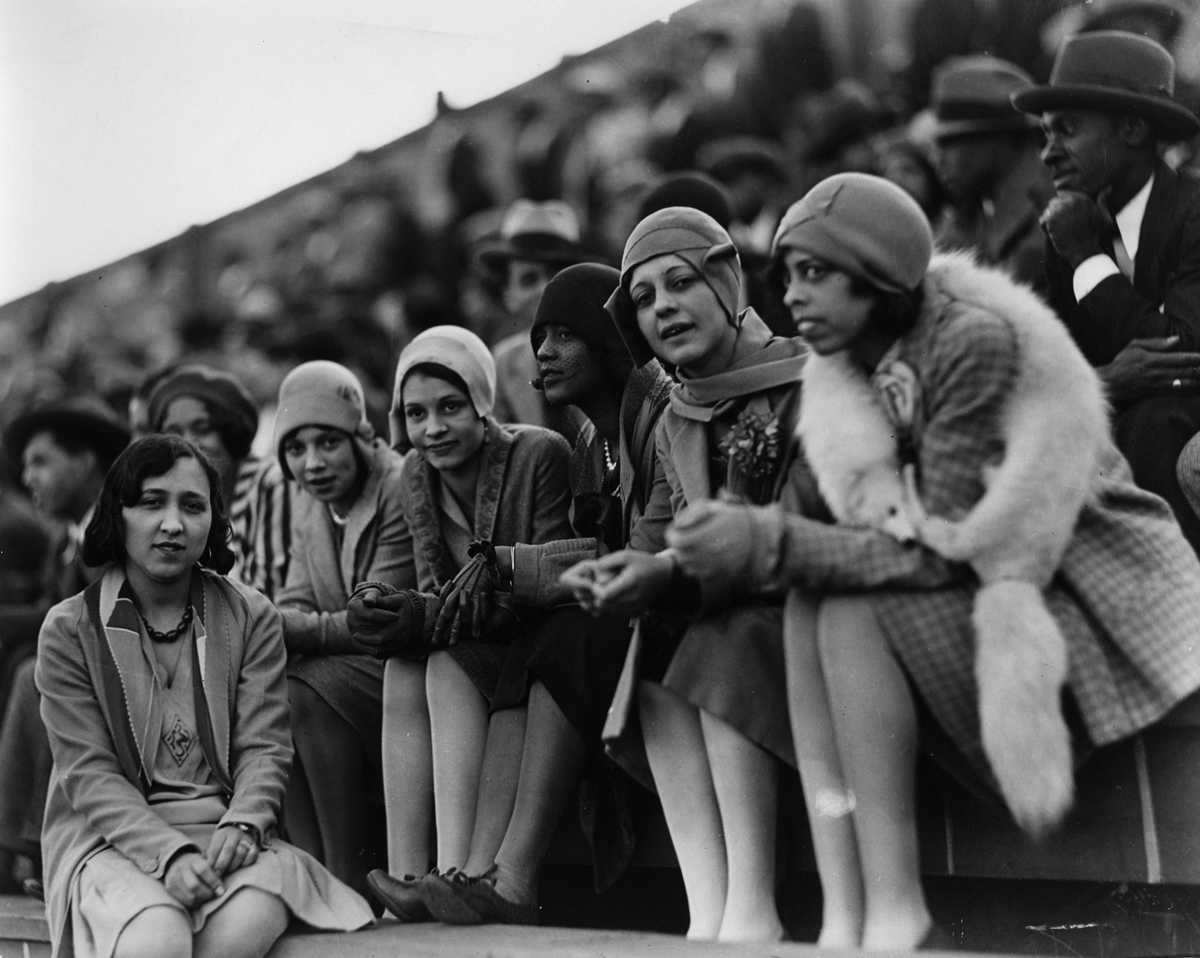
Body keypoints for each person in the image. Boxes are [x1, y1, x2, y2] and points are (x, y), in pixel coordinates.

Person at [665, 172, 1200, 949]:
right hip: (977, 577)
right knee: (814, 602)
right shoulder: (847, 367)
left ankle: (896, 914)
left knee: (844, 608)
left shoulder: (974, 339)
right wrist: (667, 569)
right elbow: (831, 521)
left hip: (1086, 587)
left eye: (817, 273)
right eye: (789, 277)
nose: (794, 297)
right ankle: (847, 914)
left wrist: (763, 543)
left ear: (879, 275)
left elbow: (938, 544)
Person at [370, 264, 674, 925]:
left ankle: (510, 878)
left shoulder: (650, 418)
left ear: (609, 335)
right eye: (540, 337)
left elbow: (630, 553)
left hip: (667, 614)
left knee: (556, 637)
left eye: (566, 334)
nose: (542, 352)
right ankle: (469, 876)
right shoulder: (594, 439)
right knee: (503, 651)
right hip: (600, 618)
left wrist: (507, 566)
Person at [563, 208, 807, 943]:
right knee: (651, 638)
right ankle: (709, 908)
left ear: (728, 281)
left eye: (680, 282)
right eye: (643, 298)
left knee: (712, 632)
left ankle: (754, 908)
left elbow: (803, 522)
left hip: (807, 593)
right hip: (725, 599)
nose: (663, 306)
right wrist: (622, 570)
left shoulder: (804, 375)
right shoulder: (678, 411)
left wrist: (666, 569)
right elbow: (664, 531)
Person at [36, 434, 372, 958]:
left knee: (242, 928)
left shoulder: (250, 614)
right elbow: (88, 774)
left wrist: (244, 821)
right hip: (109, 839)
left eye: (193, 506)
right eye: (151, 503)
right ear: (116, 514)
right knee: (158, 938)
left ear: (213, 520)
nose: (173, 524)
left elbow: (265, 747)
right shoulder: (69, 629)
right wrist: (168, 857)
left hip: (227, 838)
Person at [346, 326, 572, 922]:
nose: (433, 429)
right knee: (400, 666)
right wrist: (387, 607)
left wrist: (438, 612)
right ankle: (408, 879)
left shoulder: (538, 453)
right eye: (416, 414)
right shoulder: (414, 475)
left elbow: (552, 580)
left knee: (446, 663)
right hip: (472, 640)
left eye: (450, 408)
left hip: (530, 643)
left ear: (481, 400)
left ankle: (453, 874)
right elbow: (433, 592)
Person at [1010, 31, 1200, 553]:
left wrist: (1088, 259)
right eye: (1045, 134)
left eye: (1067, 131)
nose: (1049, 154)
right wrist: (1107, 380)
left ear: (1134, 130)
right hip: (1131, 427)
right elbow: (1054, 363)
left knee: (1156, 423)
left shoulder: (1192, 212)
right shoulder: (1071, 222)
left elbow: (1184, 355)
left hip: (1182, 431)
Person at [272, 361, 415, 895]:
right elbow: (293, 597)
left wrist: (287, 627)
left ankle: (342, 878)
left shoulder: (399, 485)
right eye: (296, 448)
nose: (312, 464)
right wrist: (283, 625)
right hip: (342, 667)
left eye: (328, 442)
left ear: (359, 435)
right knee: (268, 684)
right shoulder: (308, 503)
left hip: (401, 667)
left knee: (302, 687)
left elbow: (374, 617)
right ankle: (308, 873)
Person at [0, 398, 130, 898]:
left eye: (41, 461)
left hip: (130, 670)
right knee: (22, 664)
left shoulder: (114, 532)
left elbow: (93, 617)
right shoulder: (66, 538)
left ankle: (27, 846)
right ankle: (17, 843)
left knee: (31, 672)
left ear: (87, 460)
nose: (28, 477)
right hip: (86, 666)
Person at [148, 364, 292, 599]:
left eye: (202, 429)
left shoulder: (269, 484)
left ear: (230, 431)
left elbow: (264, 601)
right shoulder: (179, 503)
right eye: (174, 433)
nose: (189, 444)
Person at [929, 55, 1052, 291]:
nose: (938, 159)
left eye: (951, 143)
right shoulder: (978, 208)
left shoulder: (1050, 213)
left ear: (1001, 139)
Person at [478, 199, 592, 438]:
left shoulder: (604, 346)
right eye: (529, 279)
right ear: (509, 295)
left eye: (557, 274)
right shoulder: (505, 362)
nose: (546, 288)